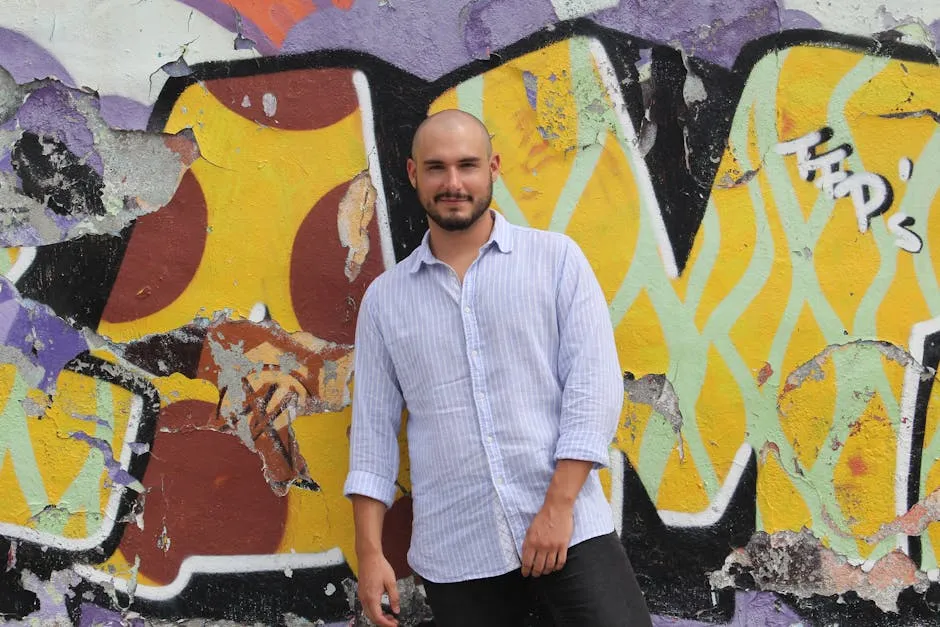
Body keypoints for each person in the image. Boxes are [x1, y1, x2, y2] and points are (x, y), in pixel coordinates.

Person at [343, 109, 651, 626]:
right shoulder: (385, 301)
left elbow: (593, 387)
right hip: (458, 554)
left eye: (468, 165)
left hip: (569, 529)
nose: (454, 182)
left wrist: (558, 507)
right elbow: (373, 433)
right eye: (436, 168)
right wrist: (370, 554)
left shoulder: (555, 261)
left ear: (494, 168)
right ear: (414, 174)